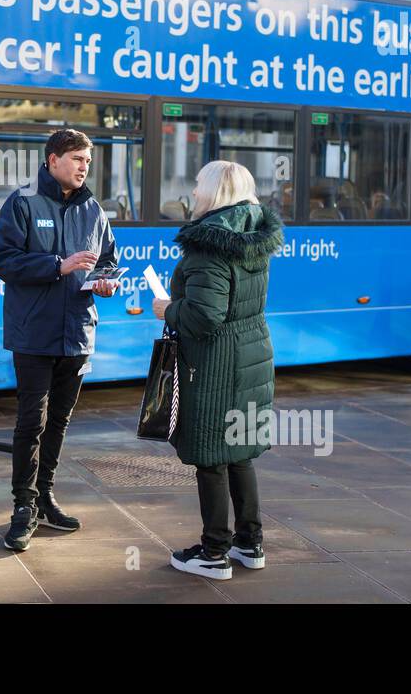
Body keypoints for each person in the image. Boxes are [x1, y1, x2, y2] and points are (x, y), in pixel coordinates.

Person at [154, 160, 283, 580]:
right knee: (240, 451)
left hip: (216, 364)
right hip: (251, 355)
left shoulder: (209, 243)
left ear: (214, 192)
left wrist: (167, 309)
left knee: (211, 456)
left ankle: (213, 553)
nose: (193, 191)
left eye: (198, 185)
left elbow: (205, 315)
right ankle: (250, 542)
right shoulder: (254, 235)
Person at [0, 128, 119, 551]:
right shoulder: (23, 202)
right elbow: (4, 262)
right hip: (34, 334)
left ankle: (44, 498)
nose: (85, 167)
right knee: (32, 422)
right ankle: (23, 508)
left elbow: (108, 261)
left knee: (59, 423)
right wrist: (57, 265)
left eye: (89, 161)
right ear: (52, 160)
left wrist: (105, 282)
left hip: (78, 334)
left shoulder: (94, 210)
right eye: (79, 159)